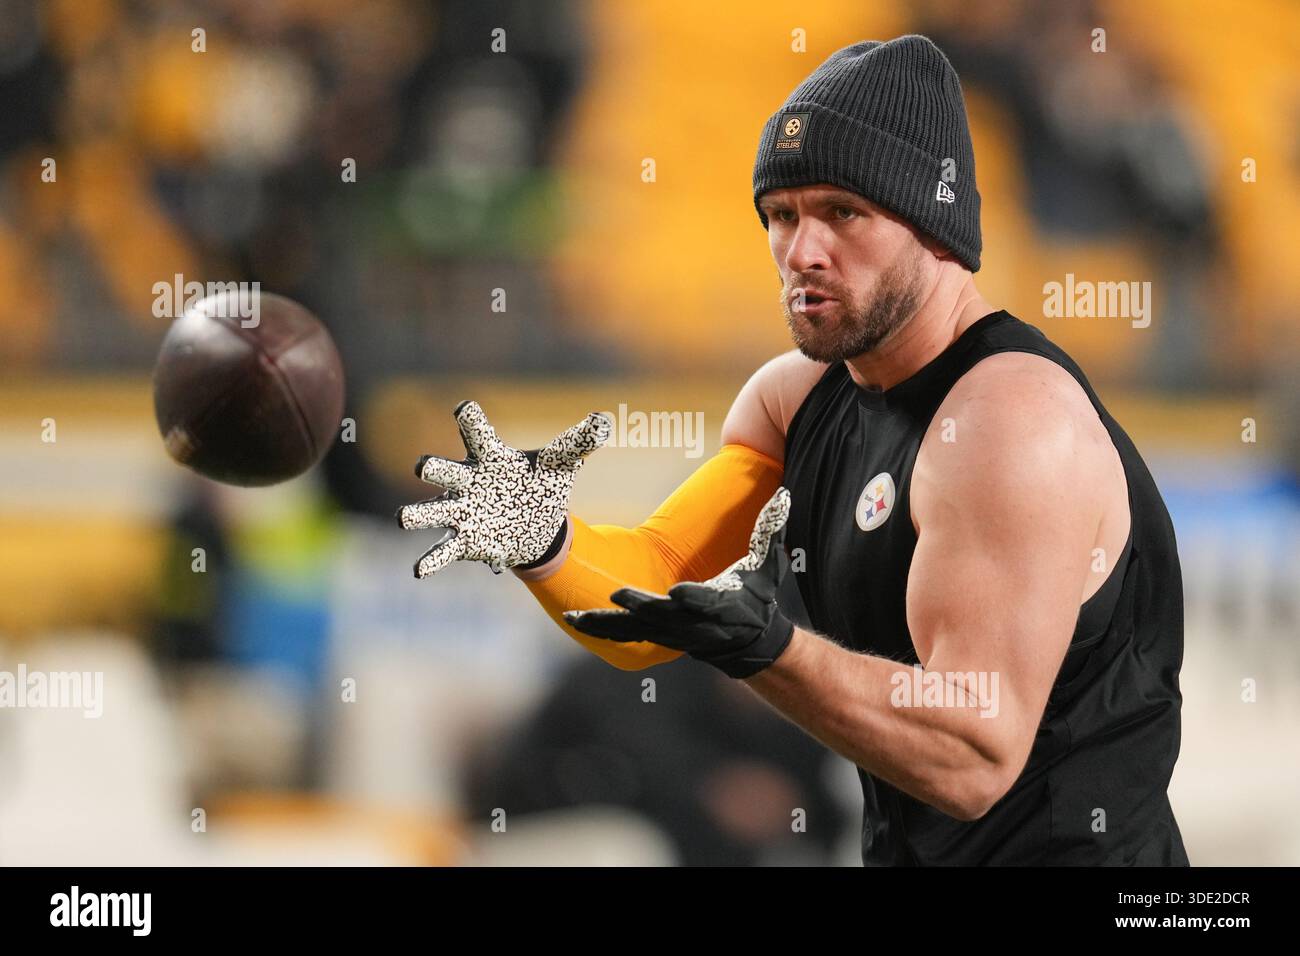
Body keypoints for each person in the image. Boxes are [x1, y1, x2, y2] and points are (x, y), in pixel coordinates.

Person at [398, 36, 1188, 866]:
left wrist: (772, 652)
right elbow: (658, 590)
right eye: (782, 215)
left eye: (843, 211)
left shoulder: (1013, 419)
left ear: (933, 222)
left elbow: (974, 757)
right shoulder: (796, 397)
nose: (802, 252)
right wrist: (547, 544)